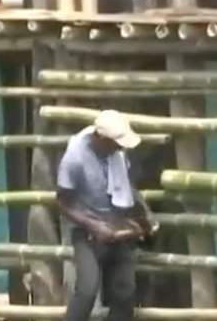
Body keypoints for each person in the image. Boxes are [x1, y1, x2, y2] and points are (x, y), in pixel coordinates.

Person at [56, 109, 155, 321]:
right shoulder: (74, 158)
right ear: (101, 139)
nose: (120, 147)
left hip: (119, 227)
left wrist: (144, 214)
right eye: (116, 143)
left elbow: (128, 188)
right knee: (87, 290)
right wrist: (92, 225)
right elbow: (63, 203)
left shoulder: (118, 155)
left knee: (124, 292)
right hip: (87, 233)